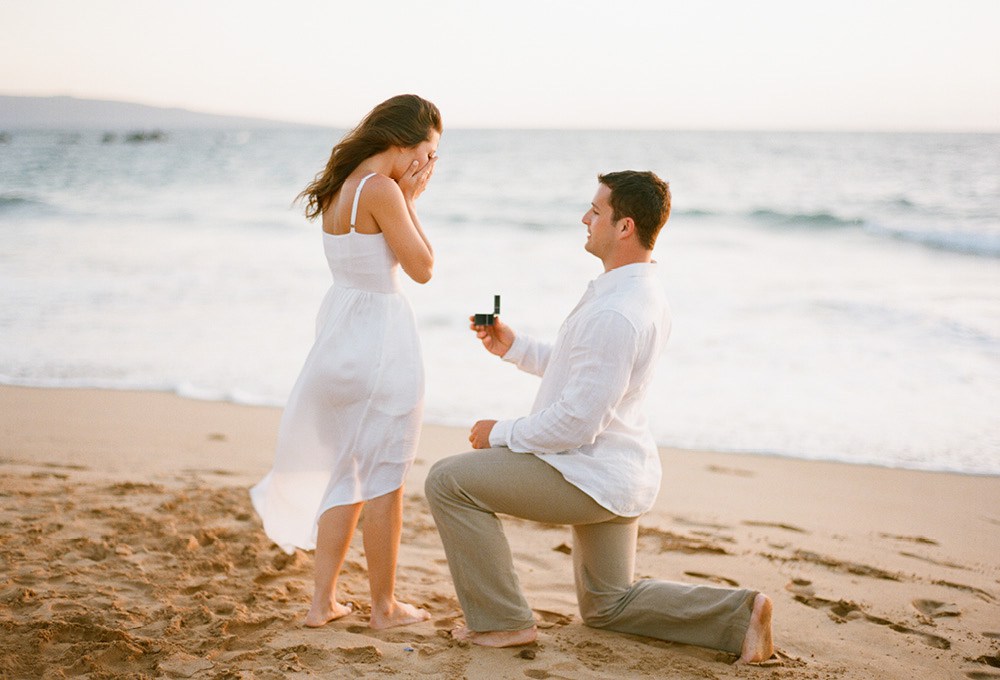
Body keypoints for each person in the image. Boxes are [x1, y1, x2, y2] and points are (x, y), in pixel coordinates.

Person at [425, 170, 775, 662]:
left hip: (588, 474)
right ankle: (739, 615)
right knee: (608, 605)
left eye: (596, 210)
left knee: (447, 481)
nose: (585, 218)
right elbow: (586, 371)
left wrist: (497, 433)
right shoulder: (635, 292)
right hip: (618, 470)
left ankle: (501, 623)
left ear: (625, 226)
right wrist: (516, 347)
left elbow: (575, 424)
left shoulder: (618, 310)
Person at [251, 94, 441, 629]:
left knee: (349, 474)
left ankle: (322, 604)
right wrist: (413, 199)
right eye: (428, 153)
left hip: (339, 334)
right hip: (378, 341)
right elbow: (423, 268)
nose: (429, 166)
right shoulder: (382, 189)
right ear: (404, 142)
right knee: (386, 478)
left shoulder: (344, 185)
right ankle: (384, 607)